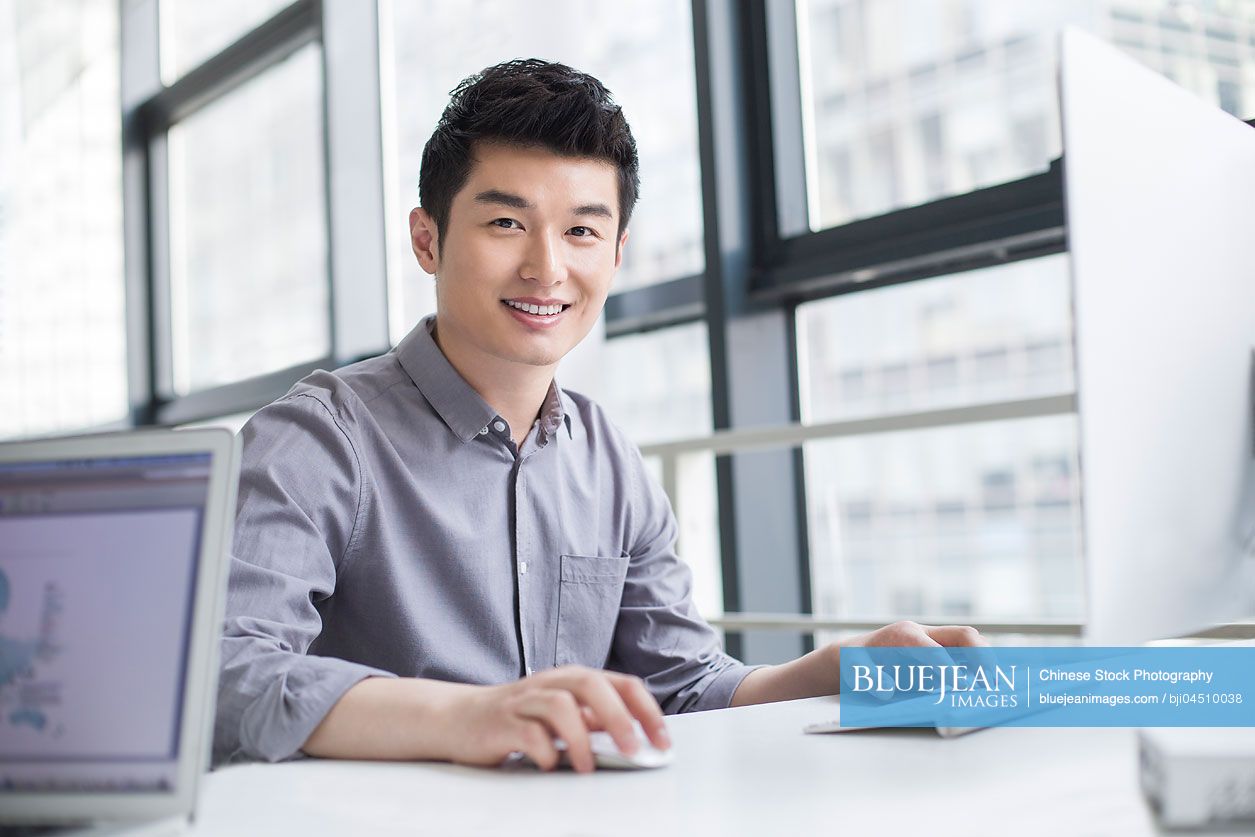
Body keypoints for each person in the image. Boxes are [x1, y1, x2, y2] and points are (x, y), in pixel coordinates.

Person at [213, 58, 987, 773]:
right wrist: (466, 717)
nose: (546, 267)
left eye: (581, 230)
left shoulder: (607, 457)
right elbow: (223, 672)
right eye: (506, 223)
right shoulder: (318, 438)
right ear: (428, 238)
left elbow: (681, 686)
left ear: (614, 254)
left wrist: (836, 670)